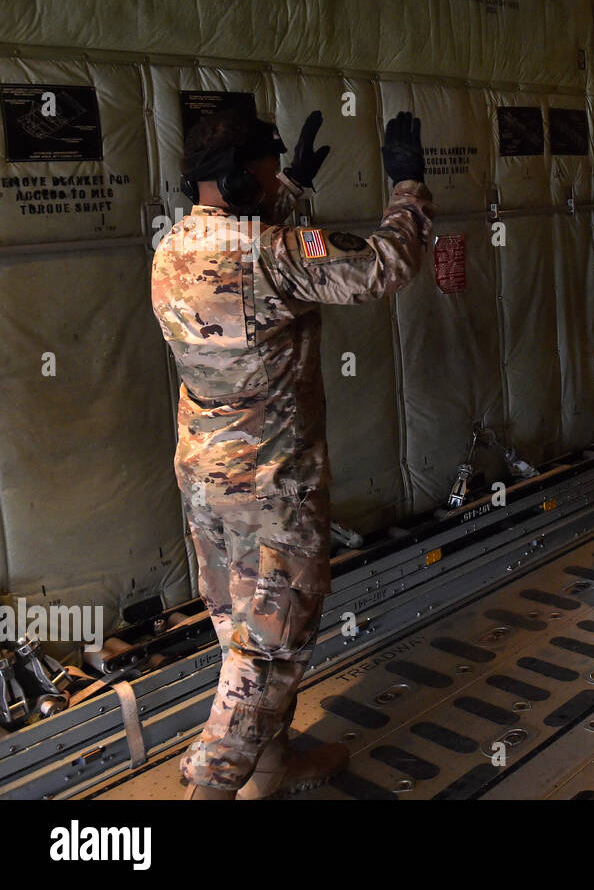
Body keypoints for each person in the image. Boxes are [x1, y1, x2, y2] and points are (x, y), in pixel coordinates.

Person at [151, 108, 434, 799]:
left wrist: (293, 184)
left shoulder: (172, 247)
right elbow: (382, 265)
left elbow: (260, 242)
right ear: (241, 183)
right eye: (266, 172)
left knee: (244, 635)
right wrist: (407, 186)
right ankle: (210, 785)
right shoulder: (272, 255)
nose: (276, 180)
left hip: (204, 480)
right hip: (271, 488)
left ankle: (267, 770)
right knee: (271, 652)